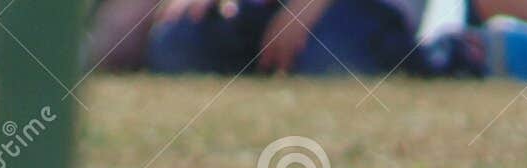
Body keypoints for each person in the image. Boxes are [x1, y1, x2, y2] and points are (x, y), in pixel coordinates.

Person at [144, 0, 427, 75]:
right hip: (259, 10)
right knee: (178, 42)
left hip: (362, 11)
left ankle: (440, 58)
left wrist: (305, 8)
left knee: (331, 61)